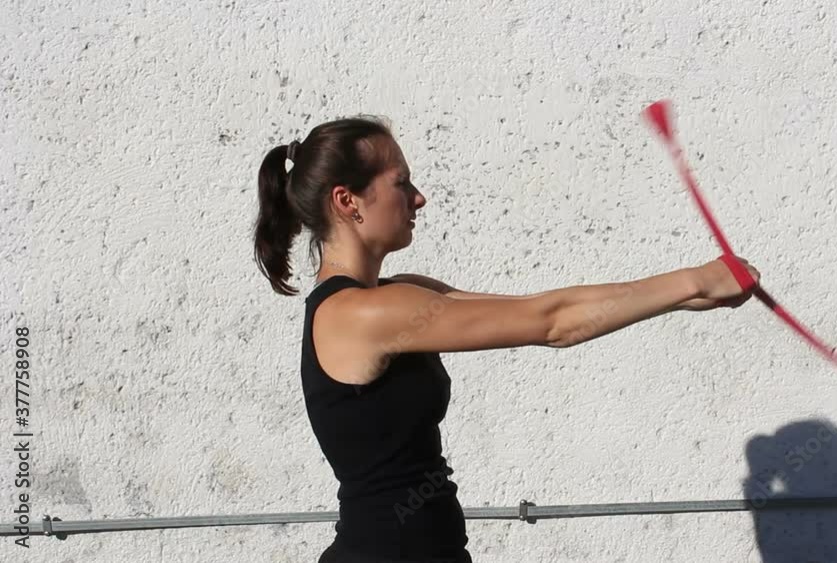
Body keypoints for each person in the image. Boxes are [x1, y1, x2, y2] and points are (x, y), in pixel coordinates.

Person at [252, 115, 760, 563]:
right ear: (347, 201)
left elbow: (538, 308)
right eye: (401, 183)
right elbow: (552, 323)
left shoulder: (401, 295)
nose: (419, 197)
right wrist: (694, 279)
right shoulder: (359, 314)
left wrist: (689, 295)